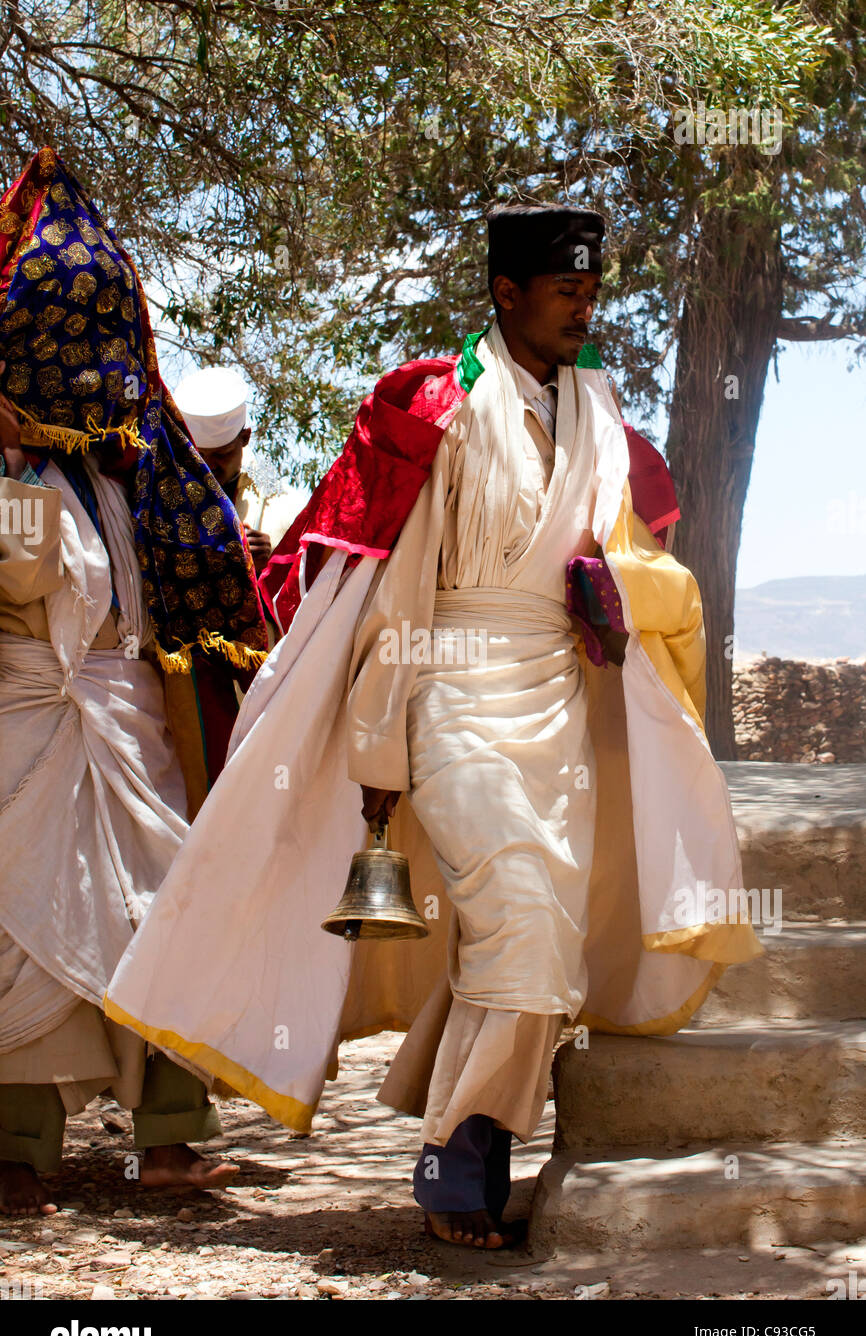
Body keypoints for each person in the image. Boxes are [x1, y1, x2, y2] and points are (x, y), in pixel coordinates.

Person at [106, 202, 762, 1249]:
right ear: (507, 294)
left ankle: (467, 1142)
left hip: (558, 702)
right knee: (530, 935)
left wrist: (618, 589)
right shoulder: (437, 403)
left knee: (529, 946)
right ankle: (453, 1170)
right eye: (565, 291)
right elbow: (395, 597)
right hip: (454, 696)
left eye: (592, 291)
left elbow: (629, 551)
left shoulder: (596, 406)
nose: (583, 307)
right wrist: (377, 749)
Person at [0, 147, 268, 1216]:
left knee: (164, 911)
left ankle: (168, 1141)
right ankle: (18, 1151)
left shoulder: (147, 471)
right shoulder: (23, 476)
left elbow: (199, 599)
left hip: (130, 723)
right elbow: (24, 572)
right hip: (23, 719)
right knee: (21, 934)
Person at [173, 366, 303, 577]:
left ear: (245, 438)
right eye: (199, 456)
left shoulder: (279, 503)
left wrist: (269, 563)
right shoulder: (167, 491)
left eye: (221, 454)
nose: (209, 466)